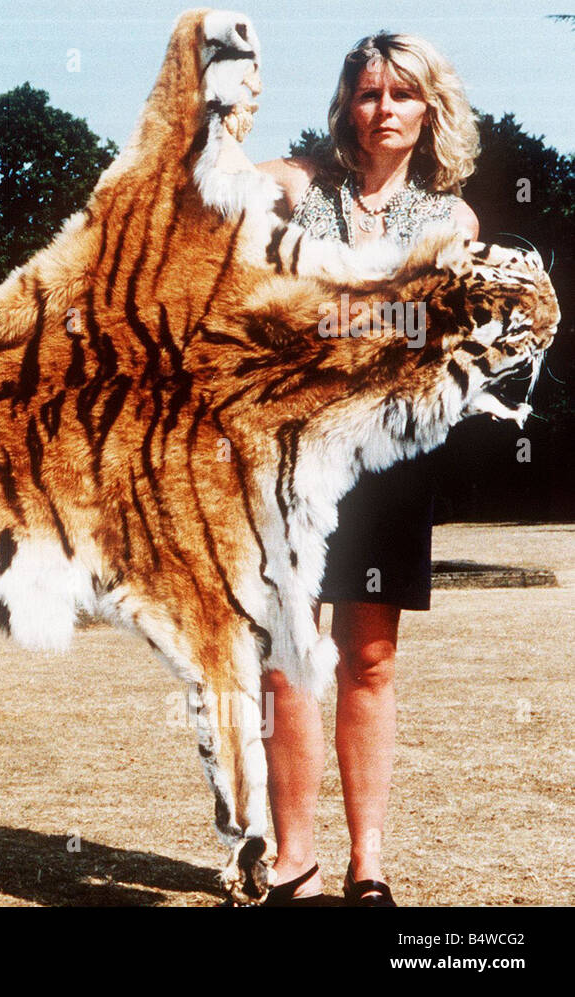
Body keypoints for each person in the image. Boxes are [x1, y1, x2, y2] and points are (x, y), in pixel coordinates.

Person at [255, 33, 480, 906]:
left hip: (389, 458)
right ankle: (293, 861)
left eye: (401, 95)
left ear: (429, 110)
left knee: (371, 658)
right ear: (347, 104)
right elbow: (202, 174)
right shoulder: (298, 186)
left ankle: (368, 863)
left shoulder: (450, 222)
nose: (383, 109)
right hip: (293, 455)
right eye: (368, 93)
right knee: (284, 655)